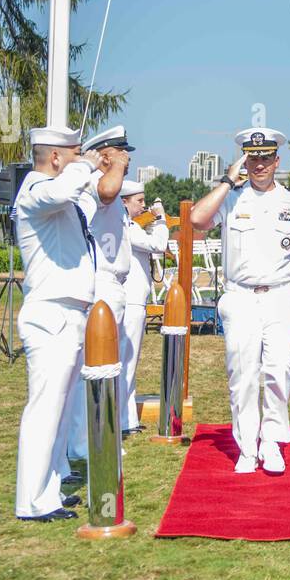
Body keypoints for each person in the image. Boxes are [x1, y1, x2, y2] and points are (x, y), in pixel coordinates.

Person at [189, 128, 290, 476]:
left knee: (279, 370)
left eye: (266, 158)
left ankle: (272, 442)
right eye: (253, 158)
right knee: (243, 375)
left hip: (281, 295)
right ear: (245, 161)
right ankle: (247, 447)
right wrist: (226, 181)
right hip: (240, 298)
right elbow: (196, 220)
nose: (260, 164)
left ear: (277, 161)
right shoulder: (232, 198)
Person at [12, 124, 105, 522]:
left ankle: (49, 488)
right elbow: (66, 190)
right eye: (73, 153)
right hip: (50, 313)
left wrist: (96, 165)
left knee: (60, 411)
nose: (79, 159)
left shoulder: (59, 198)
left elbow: (89, 203)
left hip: (68, 314)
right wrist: (83, 166)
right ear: (55, 158)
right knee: (45, 409)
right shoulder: (36, 191)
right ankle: (32, 501)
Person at [65, 125, 133, 461]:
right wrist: (115, 165)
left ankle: (93, 434)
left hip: (114, 285)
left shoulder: (112, 186)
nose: (128, 159)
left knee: (107, 365)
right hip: (102, 283)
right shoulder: (98, 182)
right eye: (121, 152)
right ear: (105, 154)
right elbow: (107, 190)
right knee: (94, 365)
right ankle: (82, 441)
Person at [119, 180, 170, 434]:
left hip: (134, 300)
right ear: (124, 201)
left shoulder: (129, 225)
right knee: (126, 361)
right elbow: (157, 245)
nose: (143, 206)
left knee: (130, 361)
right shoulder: (125, 226)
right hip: (130, 301)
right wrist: (160, 220)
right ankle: (122, 420)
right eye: (139, 201)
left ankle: (127, 419)